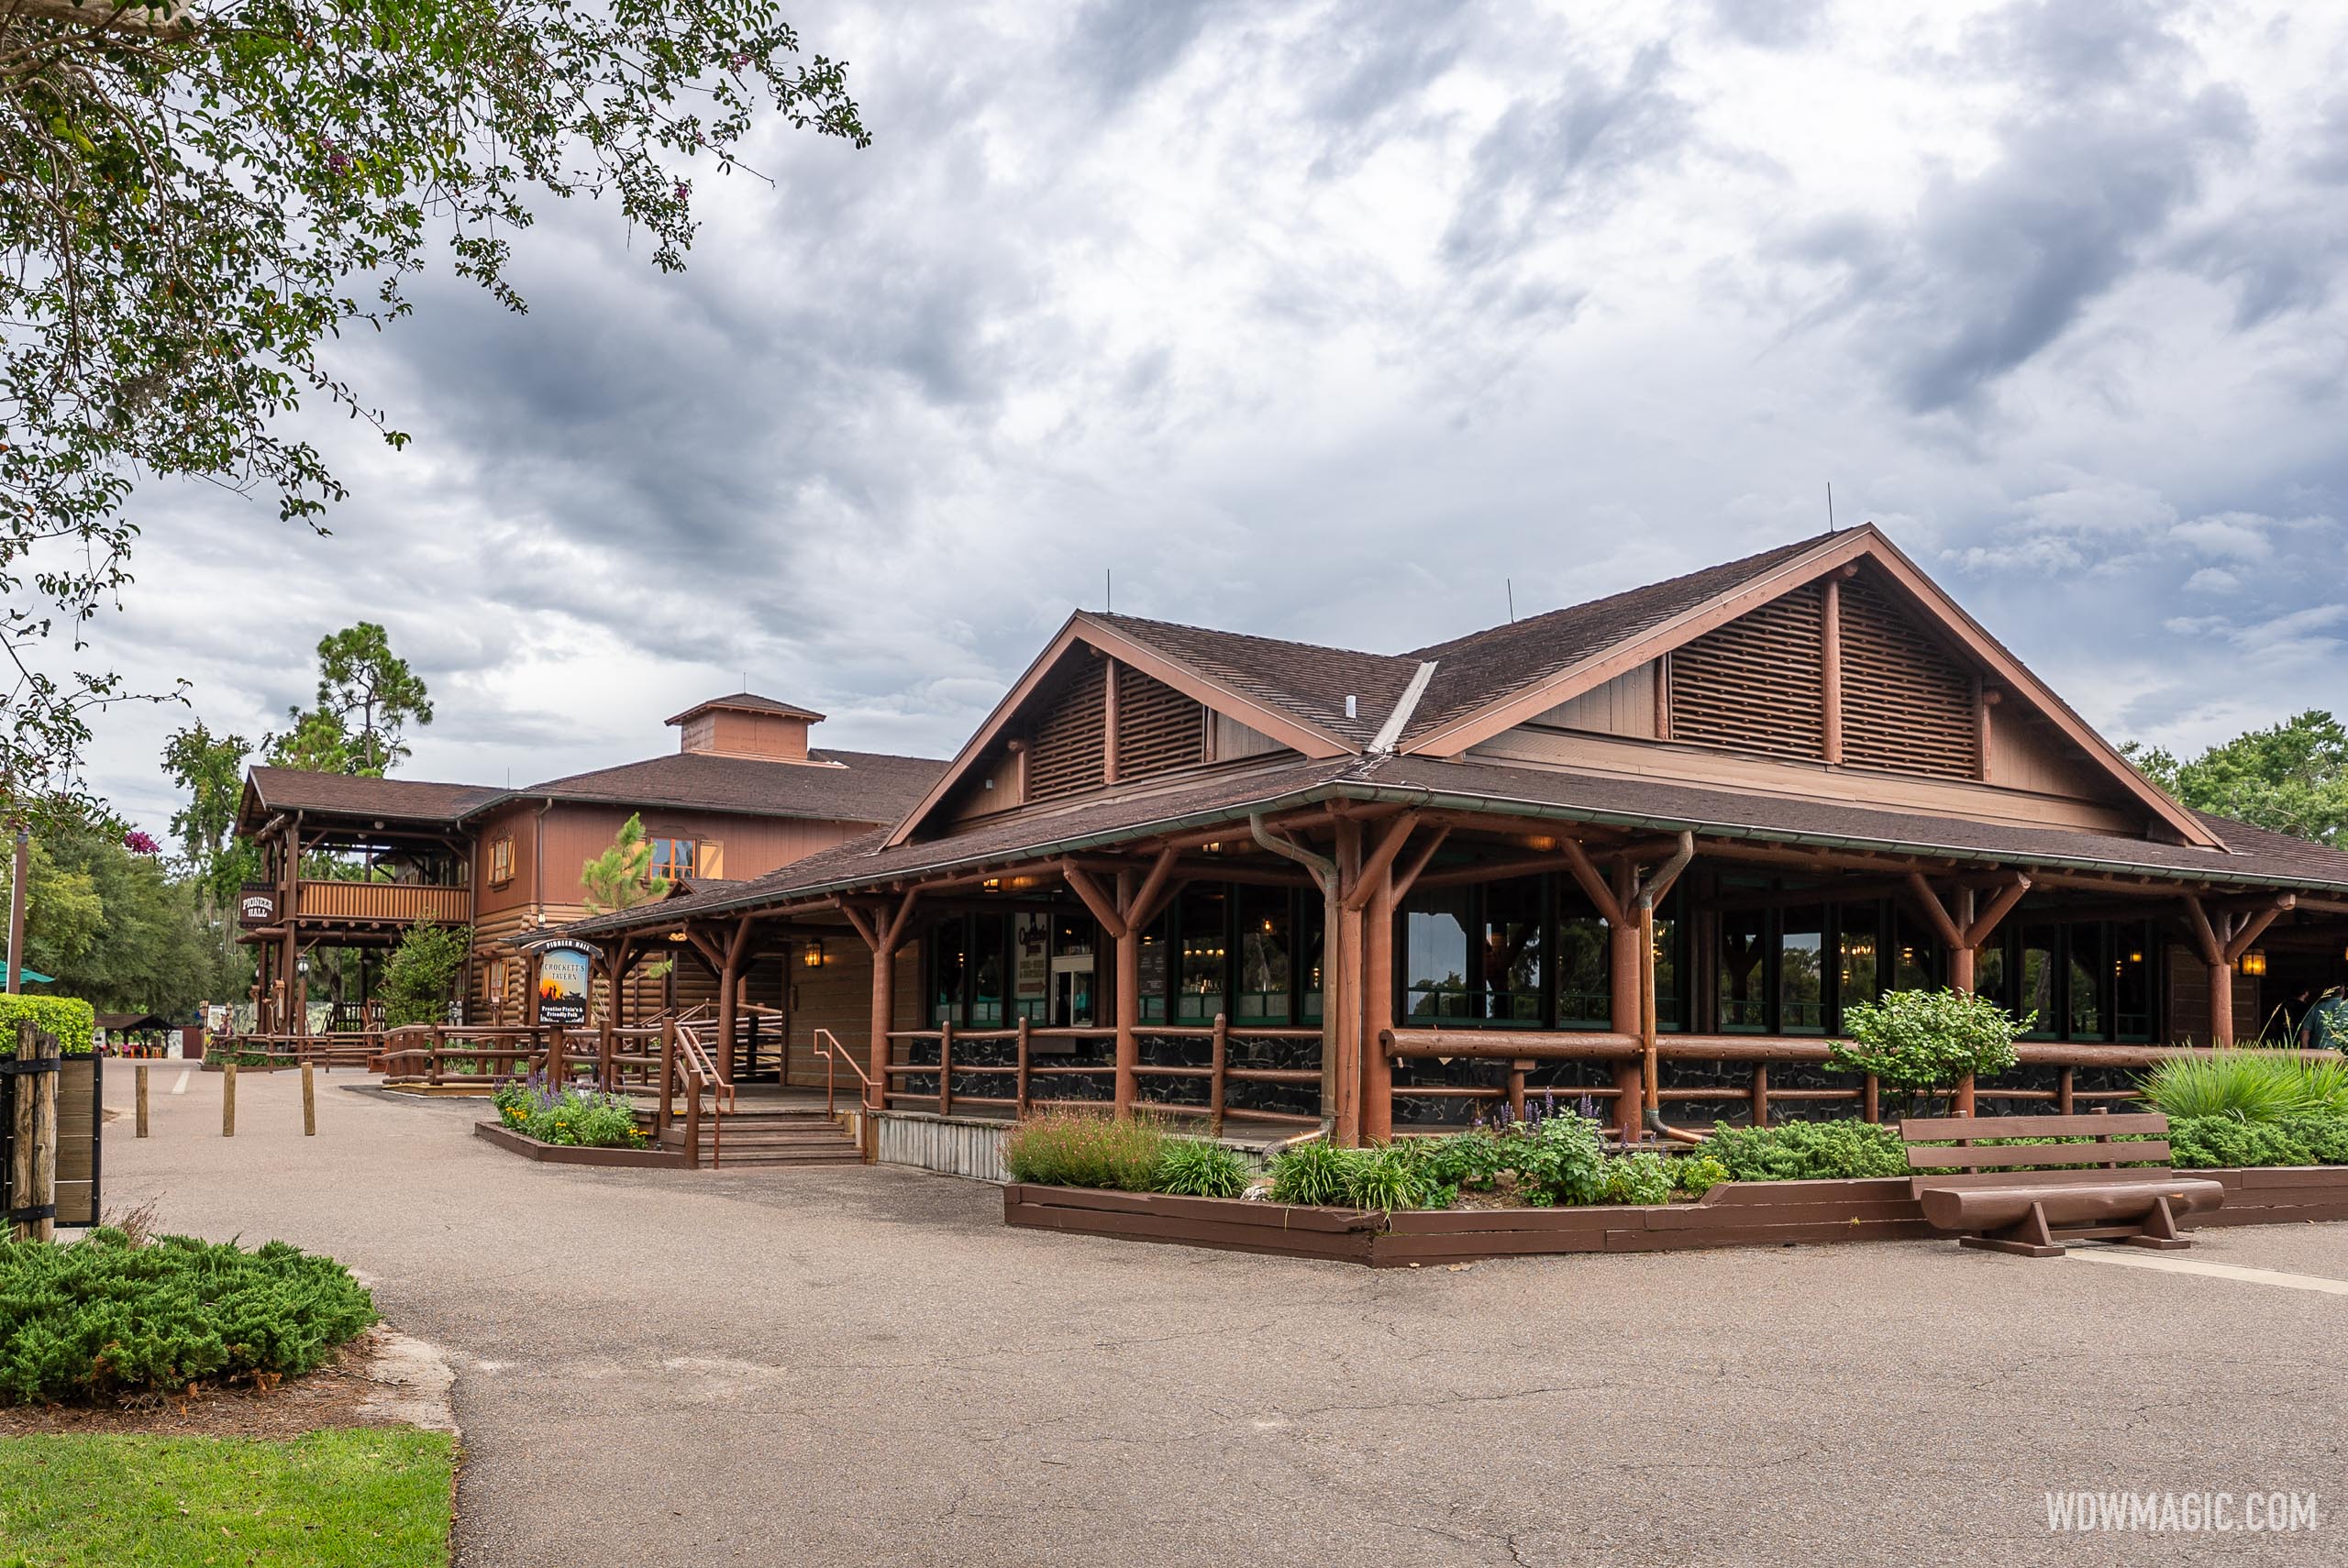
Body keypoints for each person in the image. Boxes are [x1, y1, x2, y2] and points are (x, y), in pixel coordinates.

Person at [2302, 986, 2348, 1052]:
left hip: (2320, 1053)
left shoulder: (2316, 1008)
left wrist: (2305, 1053)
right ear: (2343, 992)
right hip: (2343, 1053)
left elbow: (2305, 1032)